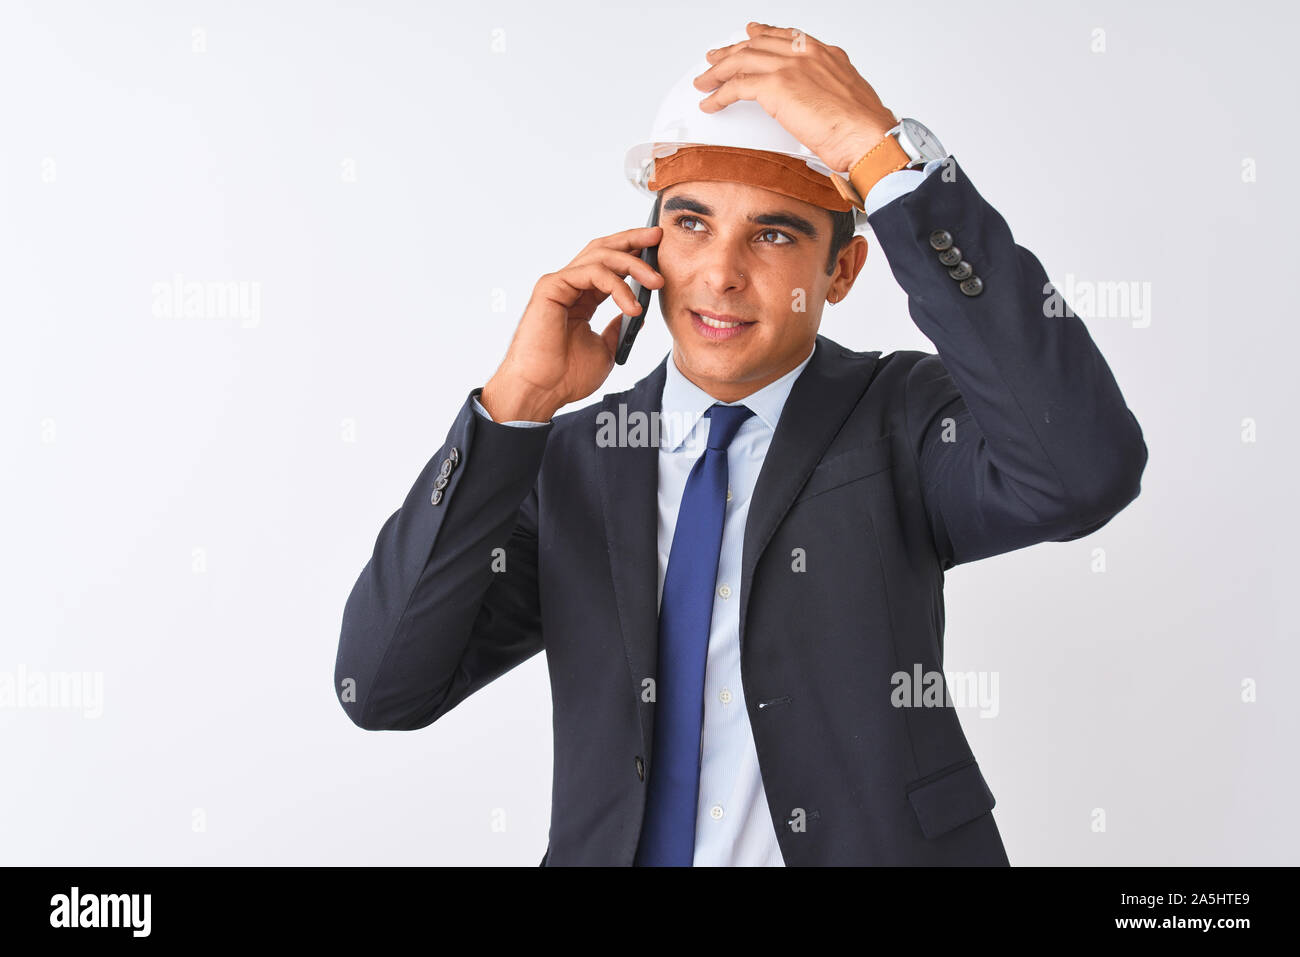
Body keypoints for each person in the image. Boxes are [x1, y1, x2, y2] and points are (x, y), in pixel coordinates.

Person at [334, 22, 1147, 866]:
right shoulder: (572, 459)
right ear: (647, 247)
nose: (720, 272)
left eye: (772, 234)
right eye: (691, 223)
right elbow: (382, 684)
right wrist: (516, 406)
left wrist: (887, 160)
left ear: (841, 272)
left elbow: (1084, 472)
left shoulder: (900, 416)